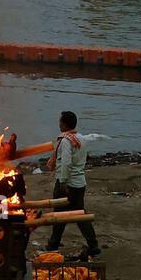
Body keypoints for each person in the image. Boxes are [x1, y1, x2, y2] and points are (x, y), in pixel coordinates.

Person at [44, 111, 102, 260]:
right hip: (80, 183)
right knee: (79, 214)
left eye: (60, 121)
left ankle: (53, 245)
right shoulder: (81, 138)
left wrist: (63, 181)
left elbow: (66, 163)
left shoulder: (65, 141)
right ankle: (92, 245)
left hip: (68, 184)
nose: (58, 124)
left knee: (60, 214)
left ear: (64, 124)